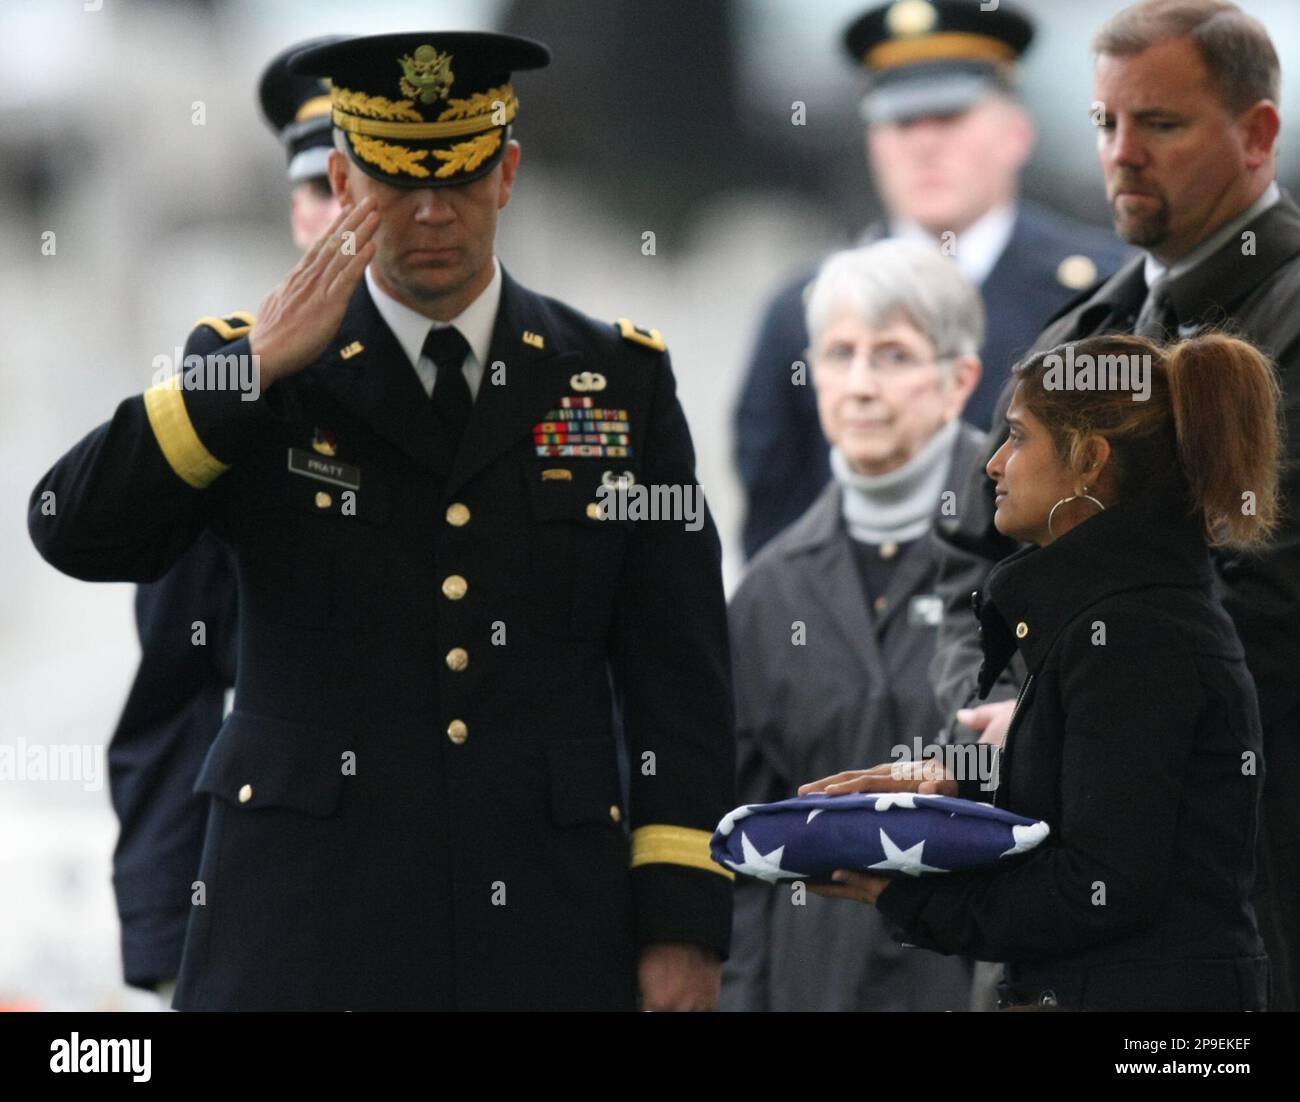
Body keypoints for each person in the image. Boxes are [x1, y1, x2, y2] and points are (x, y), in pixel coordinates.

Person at [29, 30, 735, 1011]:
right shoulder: (255, 372)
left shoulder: (615, 379)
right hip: (304, 930)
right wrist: (251, 373)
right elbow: (73, 527)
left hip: (540, 929)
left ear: (510, 172)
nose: (433, 211)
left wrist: (680, 924)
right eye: (399, 181)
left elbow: (679, 679)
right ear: (342, 179)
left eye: (462, 176)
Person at [929, 0, 1300, 1010]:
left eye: (1161, 124)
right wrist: (979, 731)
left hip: (1246, 888)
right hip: (1058, 911)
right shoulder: (1085, 330)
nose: (1123, 154)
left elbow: (1263, 602)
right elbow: (970, 565)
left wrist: (1044, 721)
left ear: (1256, 132)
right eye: (1105, 125)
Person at [805, 331, 1277, 1012]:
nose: (994, 462)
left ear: (1089, 460)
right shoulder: (1118, 617)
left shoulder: (1133, 636)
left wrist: (906, 894)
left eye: (1019, 437)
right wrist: (952, 786)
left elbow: (1099, 884)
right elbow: (1100, 793)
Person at [106, 36, 343, 1000]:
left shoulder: (546, 379)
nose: (356, 219)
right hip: (279, 907)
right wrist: (168, 943)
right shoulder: (235, 401)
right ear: (298, 210)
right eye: (329, 190)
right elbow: (178, 690)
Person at [734, 0, 1131, 559]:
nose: (924, 145)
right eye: (901, 122)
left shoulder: (1106, 294)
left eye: (949, 118)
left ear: (1015, 133)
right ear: (873, 142)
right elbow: (776, 540)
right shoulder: (799, 313)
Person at [721, 240, 985, 1011]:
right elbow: (736, 840)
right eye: (841, 354)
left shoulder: (1032, 556)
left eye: (895, 355)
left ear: (957, 380)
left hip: (981, 977)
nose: (862, 385)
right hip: (815, 985)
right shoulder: (769, 590)